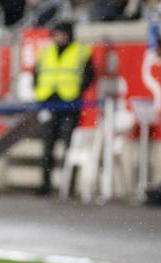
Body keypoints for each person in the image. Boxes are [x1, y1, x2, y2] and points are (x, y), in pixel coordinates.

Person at [34, 20, 95, 196]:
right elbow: (37, 73)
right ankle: (45, 184)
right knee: (47, 147)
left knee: (70, 146)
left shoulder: (81, 50)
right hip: (49, 102)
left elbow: (89, 75)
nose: (59, 37)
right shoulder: (47, 51)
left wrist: (77, 92)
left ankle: (68, 186)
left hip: (70, 104)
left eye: (62, 33)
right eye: (56, 34)